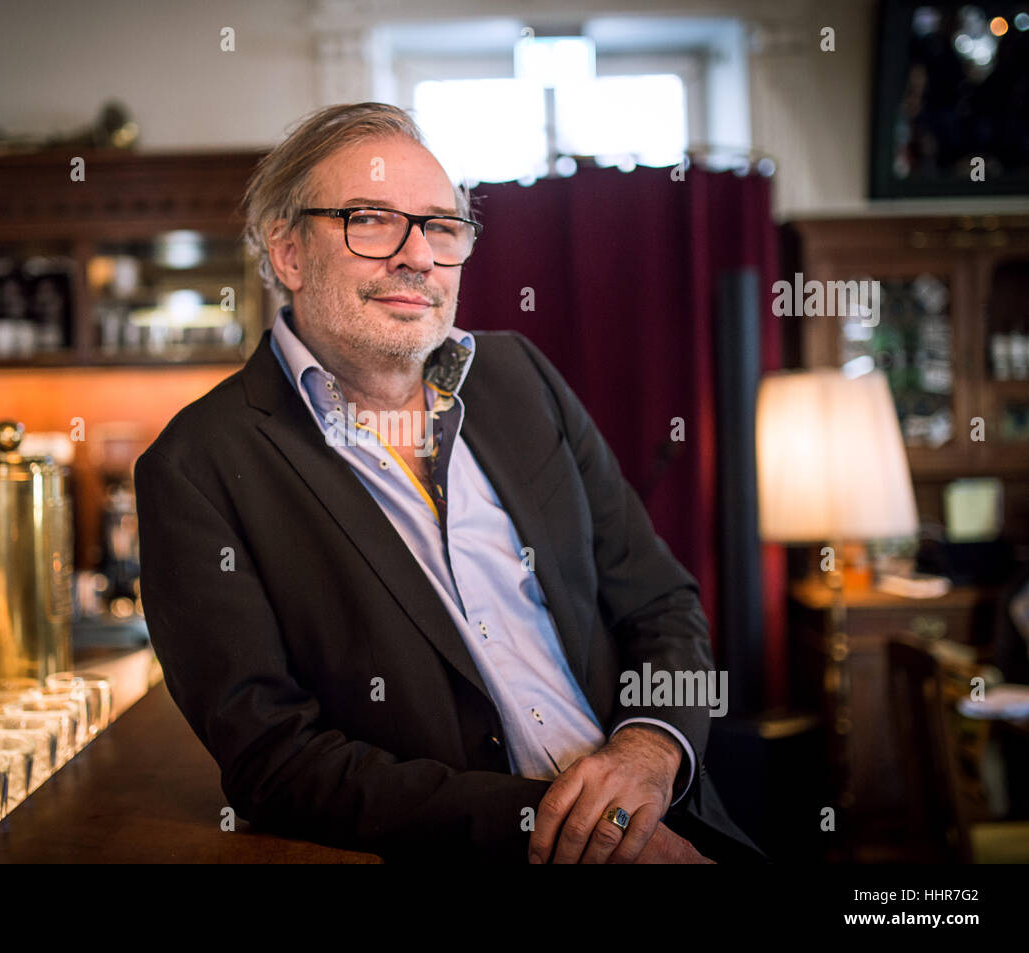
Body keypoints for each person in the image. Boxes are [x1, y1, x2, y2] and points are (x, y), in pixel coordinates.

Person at [135, 102, 764, 863]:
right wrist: (574, 827)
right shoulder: (194, 466)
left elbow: (662, 603)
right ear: (289, 252)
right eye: (371, 220)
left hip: (674, 816)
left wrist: (649, 752)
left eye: (440, 226)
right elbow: (276, 763)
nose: (417, 256)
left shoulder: (521, 377)